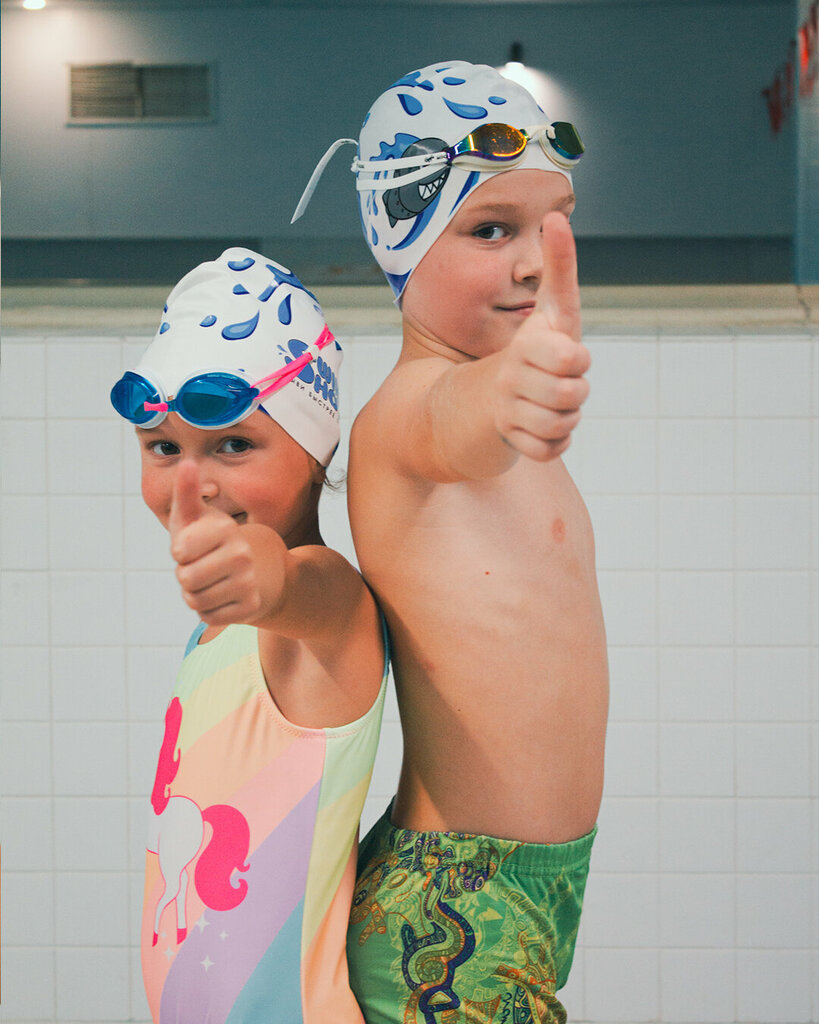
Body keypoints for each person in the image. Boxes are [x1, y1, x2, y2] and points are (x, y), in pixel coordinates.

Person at [293, 61, 608, 1023]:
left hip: (529, 892)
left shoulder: (485, 399)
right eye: (489, 229)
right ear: (402, 244)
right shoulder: (407, 419)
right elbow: (462, 418)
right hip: (451, 910)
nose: (530, 260)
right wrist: (513, 396)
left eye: (551, 226)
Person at [111, 248, 388, 1024]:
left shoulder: (327, 617)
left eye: (232, 444)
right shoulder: (215, 637)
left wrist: (267, 575)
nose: (190, 483)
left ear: (315, 448)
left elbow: (304, 592)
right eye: (163, 448)